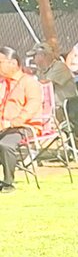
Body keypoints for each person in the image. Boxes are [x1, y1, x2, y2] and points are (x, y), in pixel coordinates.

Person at [0, 47, 43, 192]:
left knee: (5, 144)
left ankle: (8, 183)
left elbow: (32, 107)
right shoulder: (4, 83)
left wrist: (12, 123)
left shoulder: (29, 82)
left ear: (13, 63)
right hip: (5, 126)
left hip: (25, 127)